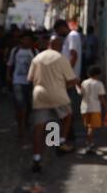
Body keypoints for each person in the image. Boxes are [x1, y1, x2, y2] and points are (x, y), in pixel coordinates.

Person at [26, 33, 77, 173]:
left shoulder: (37, 57)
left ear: (49, 44)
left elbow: (30, 79)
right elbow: (71, 80)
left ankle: (37, 159)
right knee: (67, 116)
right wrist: (65, 86)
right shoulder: (62, 59)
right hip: (58, 95)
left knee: (39, 128)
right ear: (59, 46)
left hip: (40, 94)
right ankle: (60, 143)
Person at [7, 32, 36, 139]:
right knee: (20, 106)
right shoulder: (15, 51)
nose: (26, 41)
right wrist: (8, 76)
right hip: (17, 81)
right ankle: (21, 129)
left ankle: (25, 122)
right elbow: (9, 64)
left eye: (29, 39)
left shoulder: (34, 52)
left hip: (30, 82)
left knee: (29, 106)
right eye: (25, 39)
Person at [78, 65, 107, 155]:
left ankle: (89, 143)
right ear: (97, 75)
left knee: (88, 127)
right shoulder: (99, 84)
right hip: (94, 108)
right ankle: (89, 145)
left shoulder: (84, 82)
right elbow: (101, 97)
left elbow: (81, 93)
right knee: (91, 127)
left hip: (84, 108)